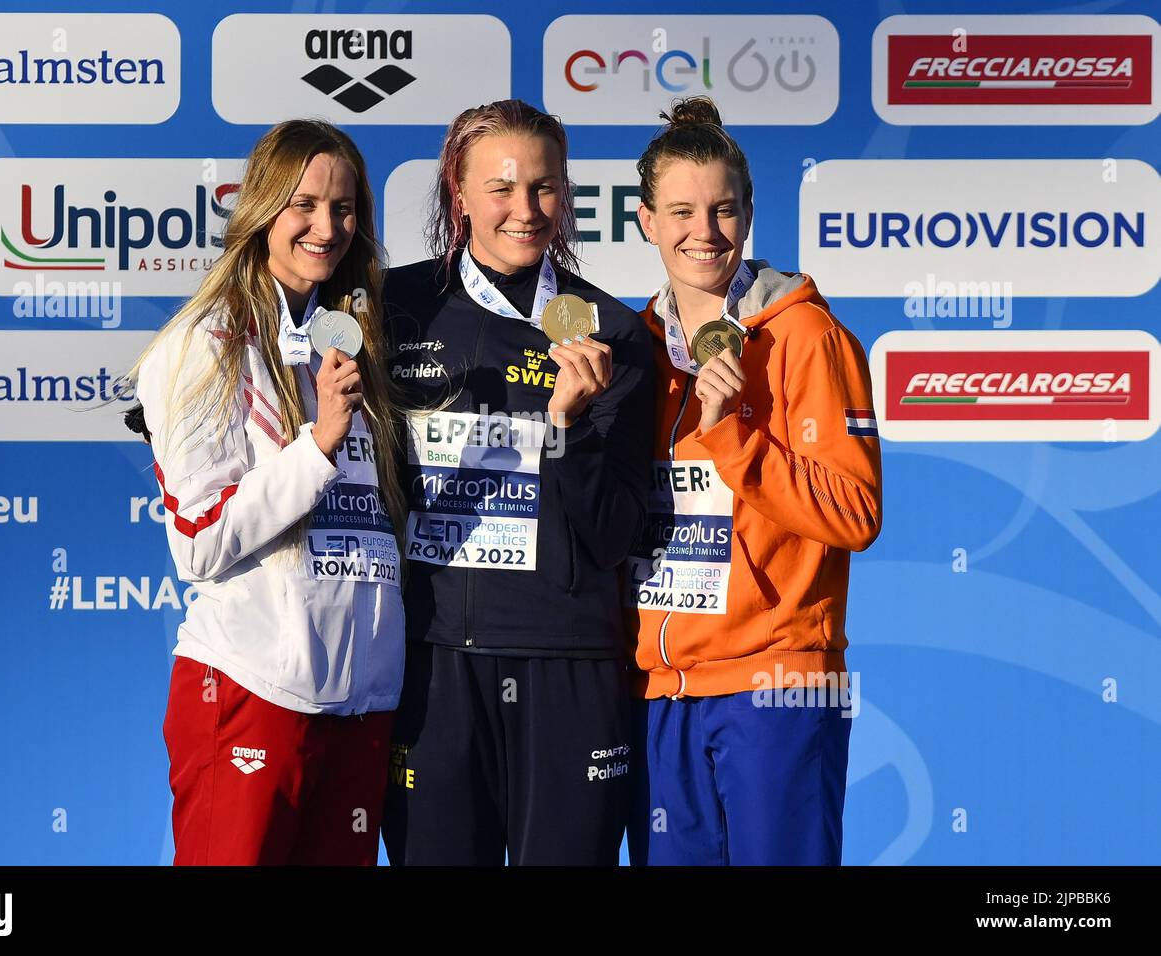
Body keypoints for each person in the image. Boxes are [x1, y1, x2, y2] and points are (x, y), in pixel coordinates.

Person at [381, 99, 654, 865]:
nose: (525, 210)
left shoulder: (613, 334)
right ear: (457, 193)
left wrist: (564, 429)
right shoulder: (393, 308)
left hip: (567, 662)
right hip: (432, 660)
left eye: (544, 187)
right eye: (500, 189)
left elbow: (610, 536)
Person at [127, 120, 407, 865]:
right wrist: (316, 447)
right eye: (304, 204)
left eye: (344, 209)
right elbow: (199, 540)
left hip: (359, 704)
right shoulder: (204, 344)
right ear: (260, 210)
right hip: (250, 694)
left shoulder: (355, 340)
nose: (326, 227)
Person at [626, 97, 883, 866]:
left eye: (723, 210)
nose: (704, 233)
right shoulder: (635, 347)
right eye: (680, 212)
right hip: (663, 690)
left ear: (748, 214)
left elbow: (856, 511)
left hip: (780, 684)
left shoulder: (807, 336)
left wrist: (733, 433)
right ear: (644, 221)